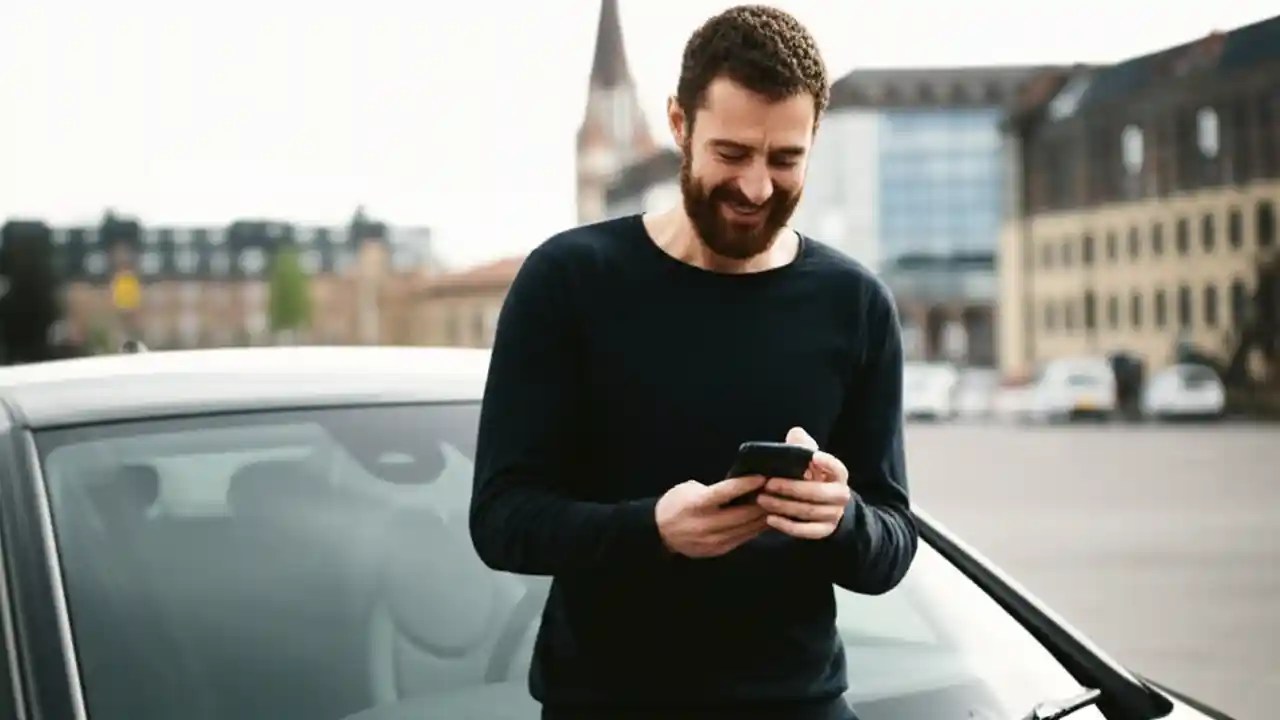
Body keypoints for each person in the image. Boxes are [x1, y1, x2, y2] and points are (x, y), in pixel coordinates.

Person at [470, 5, 918, 719]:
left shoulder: (854, 304)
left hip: (798, 705)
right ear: (680, 126)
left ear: (813, 139)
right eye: (732, 154)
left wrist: (842, 517)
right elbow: (501, 521)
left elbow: (892, 545)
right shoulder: (569, 281)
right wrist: (653, 530)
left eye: (784, 159)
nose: (756, 188)